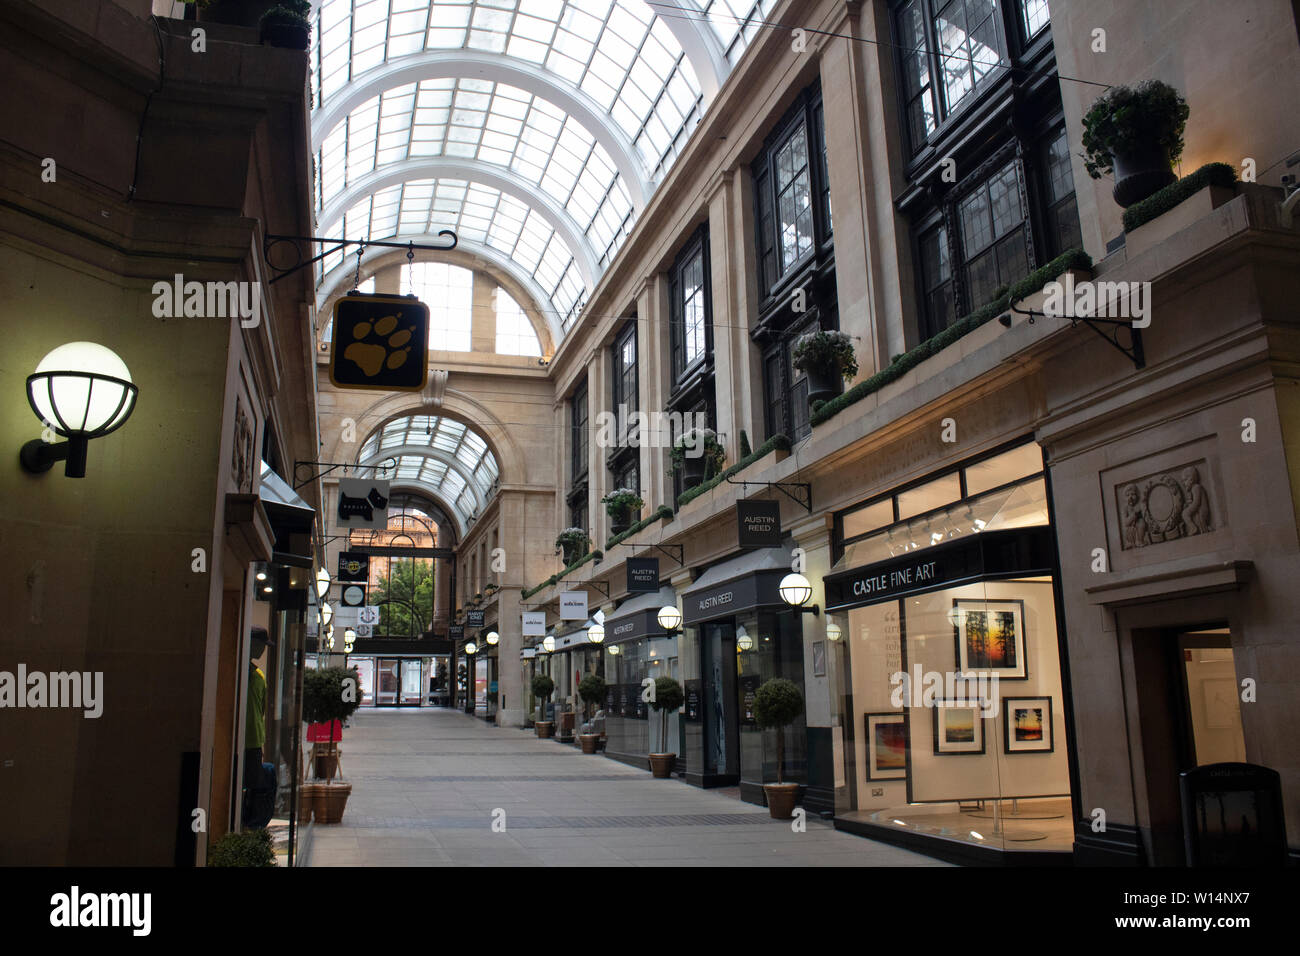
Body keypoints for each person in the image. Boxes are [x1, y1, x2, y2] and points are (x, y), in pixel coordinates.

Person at [242, 626, 275, 828]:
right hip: (247, 739)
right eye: (261, 646)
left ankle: (249, 823)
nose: (263, 650)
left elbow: (262, 708)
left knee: (253, 785)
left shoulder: (258, 676)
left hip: (254, 741)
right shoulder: (244, 673)